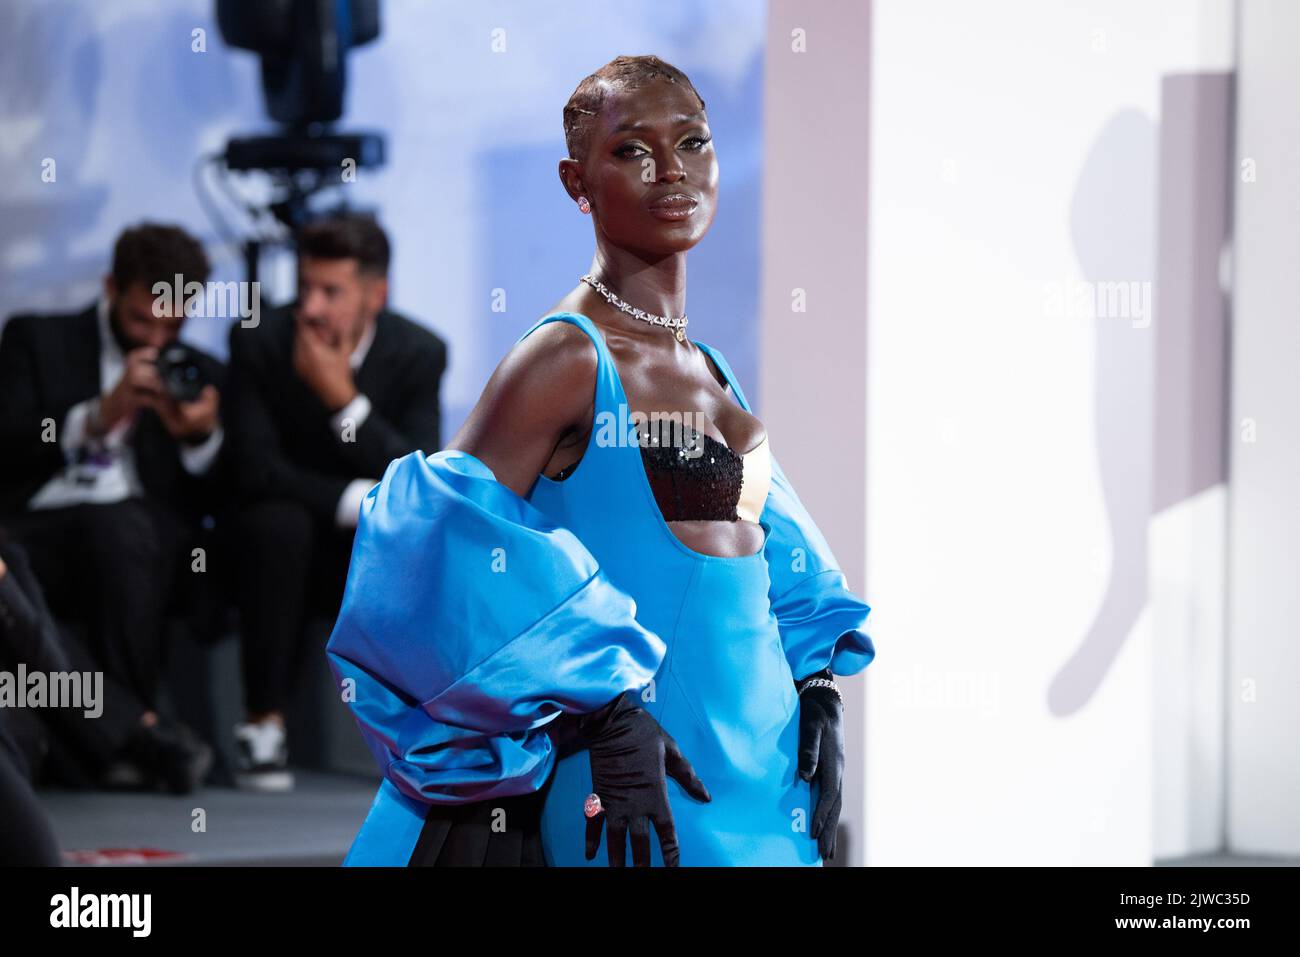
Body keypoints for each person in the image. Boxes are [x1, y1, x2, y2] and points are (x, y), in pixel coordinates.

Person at [326, 55, 874, 866]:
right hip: (645, 782)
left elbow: (778, 558)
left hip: (766, 767)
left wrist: (819, 689)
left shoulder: (711, 363)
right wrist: (606, 715)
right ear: (575, 181)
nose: (671, 171)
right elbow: (428, 549)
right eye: (632, 150)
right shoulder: (563, 359)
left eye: (693, 142)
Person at [225, 214, 447, 791]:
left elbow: (418, 481)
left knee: (429, 535)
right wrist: (356, 499)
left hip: (366, 546)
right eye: (304, 288)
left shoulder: (419, 352)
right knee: (278, 524)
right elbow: (253, 471)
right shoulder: (259, 339)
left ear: (377, 295)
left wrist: (342, 400)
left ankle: (423, 733)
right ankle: (262, 725)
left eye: (330, 292)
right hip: (277, 540)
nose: (312, 308)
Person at [0, 223, 225, 781]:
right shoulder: (36, 338)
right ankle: (135, 734)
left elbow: (222, 499)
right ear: (110, 288)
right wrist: (98, 415)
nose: (153, 340)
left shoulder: (198, 375)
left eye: (170, 325)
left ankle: (114, 741)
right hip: (37, 524)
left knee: (122, 533)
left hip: (135, 535)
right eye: (139, 320)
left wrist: (197, 438)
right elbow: (6, 445)